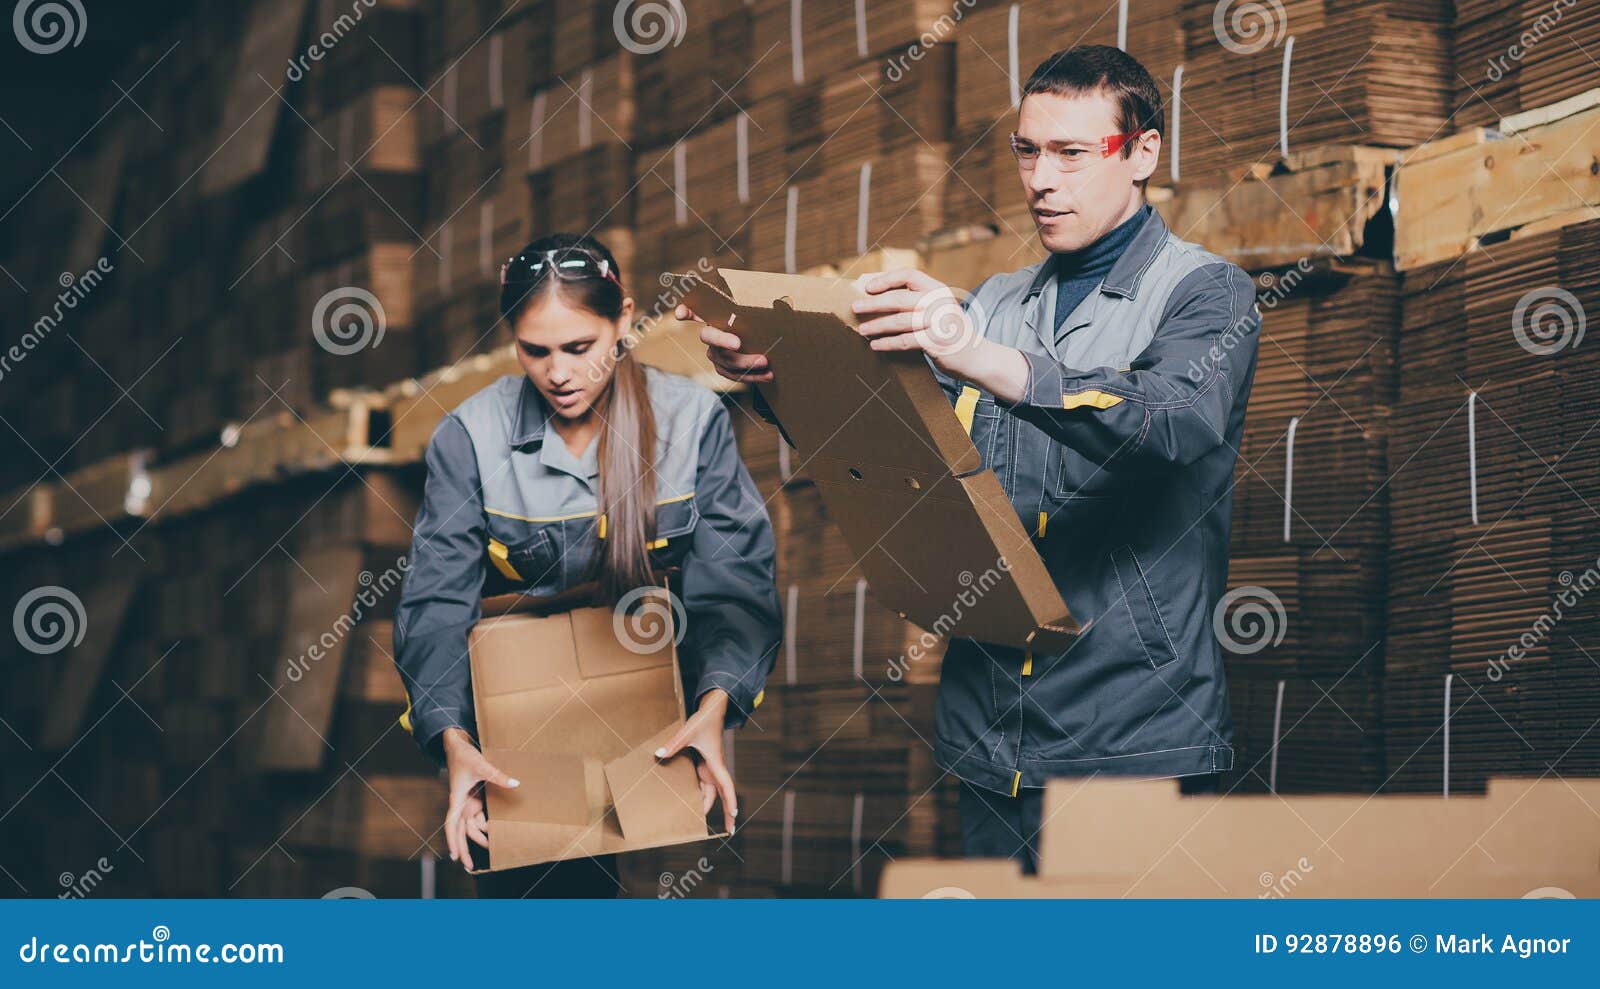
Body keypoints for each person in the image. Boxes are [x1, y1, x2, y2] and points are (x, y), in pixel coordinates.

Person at [680, 46, 1261, 872]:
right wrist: (774, 382)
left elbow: (1173, 422)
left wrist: (987, 358)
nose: (1041, 180)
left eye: (1071, 152)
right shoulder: (995, 302)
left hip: (1133, 733)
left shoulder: (1206, 294)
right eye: (1027, 150)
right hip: (990, 734)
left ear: (1142, 152)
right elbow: (898, 451)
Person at [393, 231, 782, 897]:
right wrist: (455, 743)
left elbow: (737, 585)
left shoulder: (693, 421)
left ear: (625, 319)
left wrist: (716, 706)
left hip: (658, 724)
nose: (559, 372)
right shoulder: (470, 439)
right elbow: (433, 608)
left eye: (580, 347)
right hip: (523, 733)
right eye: (535, 351)